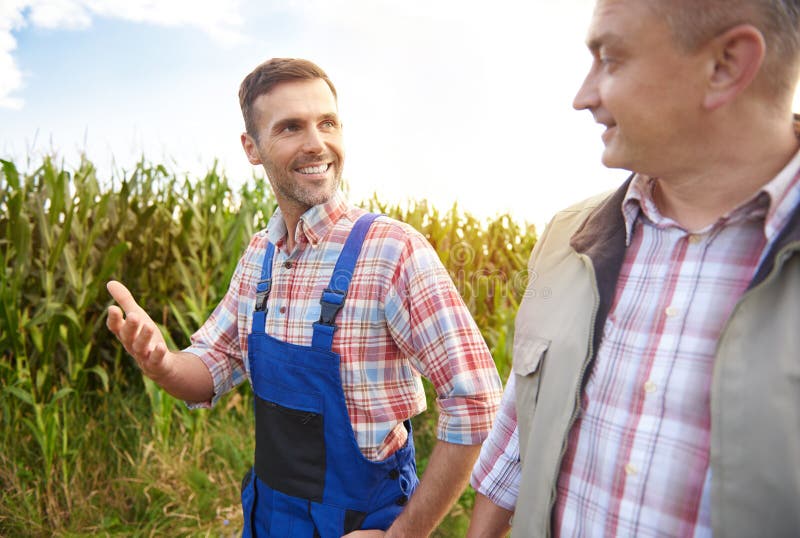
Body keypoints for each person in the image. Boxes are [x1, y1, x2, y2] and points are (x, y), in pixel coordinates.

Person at [106, 57, 503, 537]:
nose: (317, 143)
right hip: (269, 515)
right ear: (252, 148)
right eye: (291, 127)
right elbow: (213, 363)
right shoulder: (259, 256)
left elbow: (476, 398)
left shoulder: (390, 251)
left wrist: (405, 534)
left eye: (327, 122)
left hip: (361, 521)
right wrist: (162, 364)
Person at [467, 0, 800, 536]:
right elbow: (518, 433)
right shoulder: (567, 240)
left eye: (611, 58)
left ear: (726, 65)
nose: (583, 96)